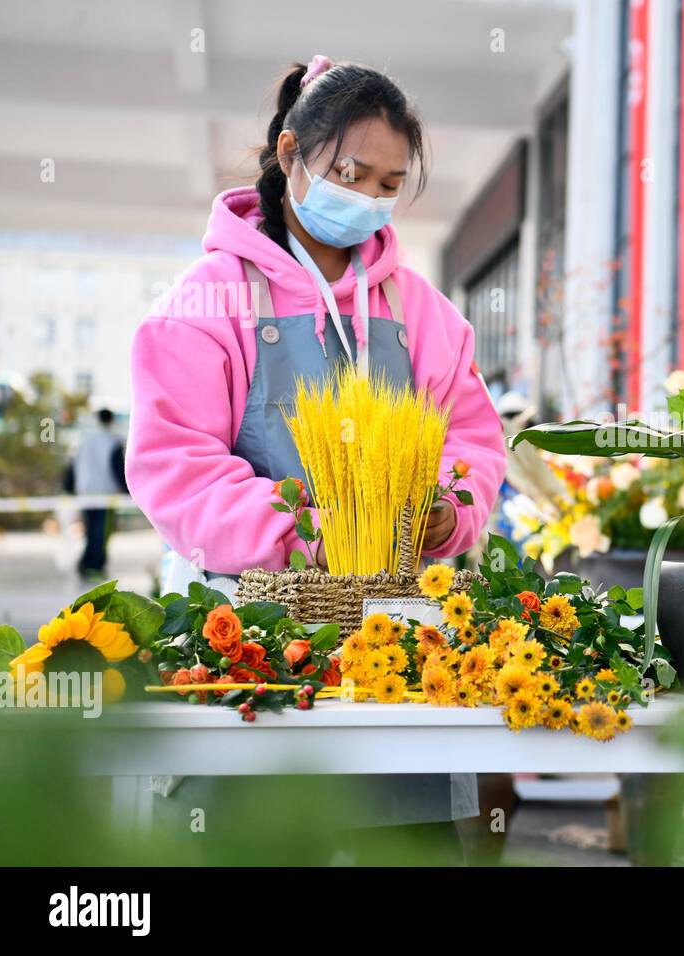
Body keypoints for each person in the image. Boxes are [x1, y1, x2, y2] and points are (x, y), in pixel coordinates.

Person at [125, 55, 506, 860]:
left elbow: (473, 446)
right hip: (251, 644)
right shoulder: (207, 300)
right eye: (349, 172)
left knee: (408, 845)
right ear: (291, 152)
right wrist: (309, 530)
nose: (366, 197)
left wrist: (447, 511)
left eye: (388, 182)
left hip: (400, 653)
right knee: (253, 841)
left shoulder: (422, 312)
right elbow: (176, 466)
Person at [70, 408, 127, 579]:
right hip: (105, 494)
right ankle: (94, 566)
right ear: (111, 420)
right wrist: (127, 491)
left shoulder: (84, 439)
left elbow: (72, 466)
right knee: (101, 533)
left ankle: (85, 563)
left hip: (85, 492)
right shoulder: (112, 440)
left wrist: (69, 489)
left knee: (90, 531)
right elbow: (117, 468)